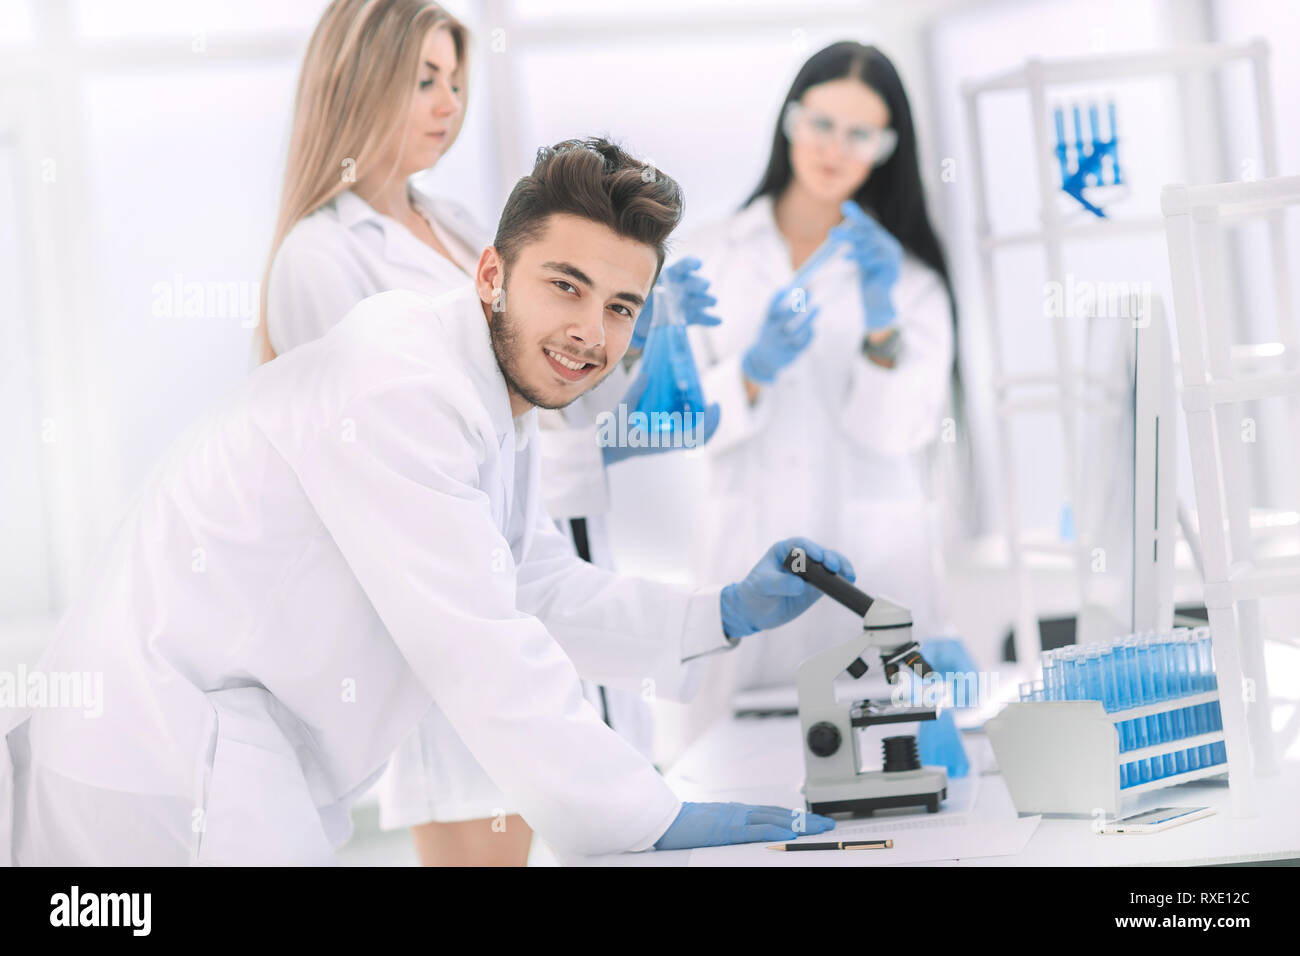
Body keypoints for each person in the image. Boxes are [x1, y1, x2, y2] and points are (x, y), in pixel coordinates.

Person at [0, 139, 849, 865]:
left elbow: (532, 582)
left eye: (621, 306)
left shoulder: (491, 402)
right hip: (158, 756)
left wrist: (722, 614)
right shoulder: (403, 382)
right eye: (566, 285)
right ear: (491, 273)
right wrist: (647, 814)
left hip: (225, 747)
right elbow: (480, 641)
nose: (592, 331)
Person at [258, 0, 719, 865]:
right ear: (356, 80)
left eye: (458, 82)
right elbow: (390, 470)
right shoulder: (318, 256)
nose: (449, 103)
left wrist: (642, 335)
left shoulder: (463, 227)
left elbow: (560, 405)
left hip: (523, 578)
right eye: (425, 78)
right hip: (446, 607)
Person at [680, 42, 959, 696]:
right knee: (737, 773)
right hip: (746, 552)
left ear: (887, 147)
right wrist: (751, 371)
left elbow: (897, 433)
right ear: (791, 121)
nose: (835, 149)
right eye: (822, 125)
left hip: (873, 562)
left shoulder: (910, 282)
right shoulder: (710, 256)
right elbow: (682, 423)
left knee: (885, 756)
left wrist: (881, 321)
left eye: (860, 134)